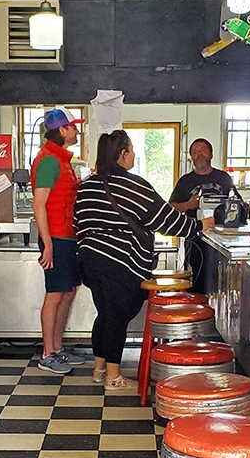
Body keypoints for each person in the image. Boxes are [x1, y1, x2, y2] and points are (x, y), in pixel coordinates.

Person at [75, 130, 214, 389]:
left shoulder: (86, 186)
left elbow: (78, 224)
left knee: (105, 312)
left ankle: (99, 369)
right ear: (122, 154)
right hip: (121, 260)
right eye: (132, 150)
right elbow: (164, 219)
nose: (134, 155)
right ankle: (113, 377)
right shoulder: (133, 185)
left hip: (90, 259)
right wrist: (198, 226)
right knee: (116, 315)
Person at [30, 108, 87, 374]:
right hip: (57, 238)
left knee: (68, 291)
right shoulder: (49, 161)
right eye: (73, 127)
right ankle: (47, 353)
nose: (77, 131)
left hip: (68, 235)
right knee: (55, 294)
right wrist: (48, 243)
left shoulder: (62, 161)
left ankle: (57, 348)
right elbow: (39, 204)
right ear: (62, 130)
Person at [170, 138, 238, 294]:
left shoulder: (224, 178)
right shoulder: (185, 181)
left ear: (211, 154)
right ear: (191, 157)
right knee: (198, 283)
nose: (199, 154)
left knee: (221, 283)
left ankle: (219, 313)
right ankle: (199, 314)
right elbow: (171, 207)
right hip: (195, 240)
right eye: (195, 152)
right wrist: (188, 205)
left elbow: (237, 204)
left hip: (222, 240)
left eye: (203, 150)